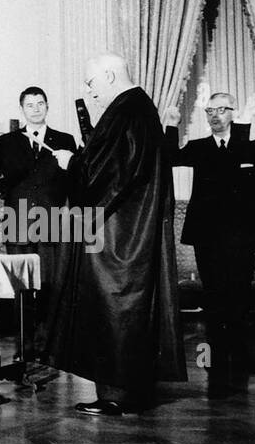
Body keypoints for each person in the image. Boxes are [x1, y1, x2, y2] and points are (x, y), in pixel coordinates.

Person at [45, 53, 186, 415]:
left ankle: (117, 396)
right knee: (123, 307)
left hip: (119, 233)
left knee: (115, 305)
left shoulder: (126, 110)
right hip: (129, 227)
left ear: (109, 76)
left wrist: (71, 163)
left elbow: (105, 173)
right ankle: (126, 392)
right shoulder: (139, 108)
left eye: (91, 83)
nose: (88, 91)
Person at [163, 89, 255, 397]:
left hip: (240, 236)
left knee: (240, 296)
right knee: (215, 297)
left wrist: (246, 121)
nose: (215, 115)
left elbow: (237, 157)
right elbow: (169, 158)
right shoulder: (199, 146)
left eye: (221, 110)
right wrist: (171, 124)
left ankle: (241, 356)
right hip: (207, 234)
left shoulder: (249, 145)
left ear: (233, 113)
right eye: (210, 111)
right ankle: (218, 359)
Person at [0, 87, 77, 349]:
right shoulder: (7, 141)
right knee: (22, 284)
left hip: (51, 219)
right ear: (22, 109)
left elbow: (75, 181)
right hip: (17, 219)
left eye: (40, 104)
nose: (36, 109)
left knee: (50, 282)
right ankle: (24, 345)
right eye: (30, 105)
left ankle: (48, 344)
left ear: (47, 107)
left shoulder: (65, 140)